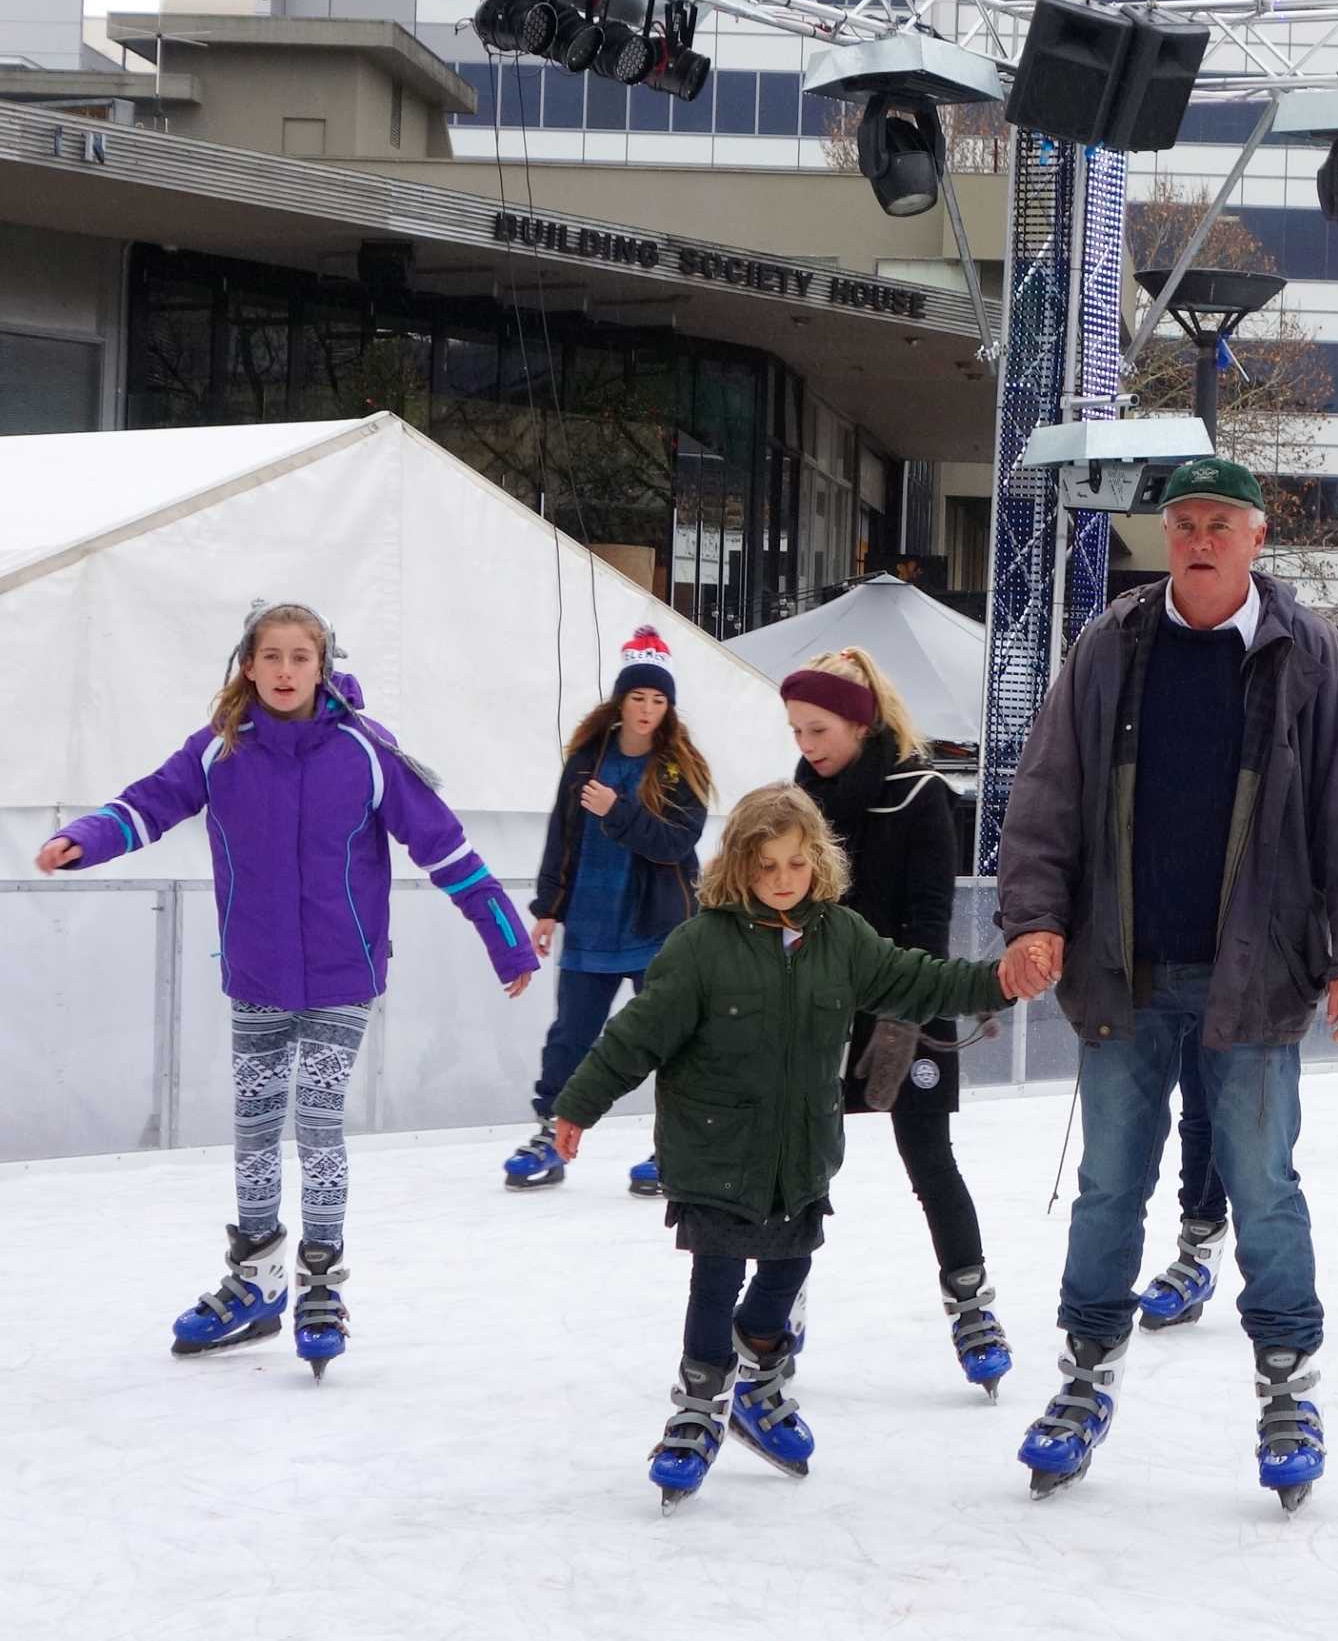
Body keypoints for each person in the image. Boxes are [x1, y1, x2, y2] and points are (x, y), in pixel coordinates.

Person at [995, 454, 1338, 1511]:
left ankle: (1287, 1384)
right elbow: (1046, 795)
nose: (1201, 537)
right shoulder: (1110, 648)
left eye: (1221, 520)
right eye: (1184, 521)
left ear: (1258, 536)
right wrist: (1034, 918)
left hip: (1254, 975)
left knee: (1263, 1186)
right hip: (1123, 972)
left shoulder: (1310, 656)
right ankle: (1084, 1376)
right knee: (1108, 1189)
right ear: (1165, 535)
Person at [32, 602, 537, 1375]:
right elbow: (149, 803)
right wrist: (84, 840)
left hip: (343, 972)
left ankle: (321, 1281)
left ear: (322, 667)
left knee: (320, 1114)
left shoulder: (365, 752)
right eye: (270, 657)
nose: (284, 671)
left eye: (301, 657)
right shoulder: (220, 750)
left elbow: (445, 845)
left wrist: (506, 940)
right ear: (247, 666)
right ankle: (256, 1279)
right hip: (258, 972)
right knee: (258, 1121)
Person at [547, 783, 1011, 1508]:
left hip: (799, 1153)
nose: (784, 879)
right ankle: (699, 1409)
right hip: (713, 1150)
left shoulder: (841, 937)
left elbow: (916, 981)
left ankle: (756, 1381)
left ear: (817, 861)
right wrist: (577, 1105)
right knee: (717, 1273)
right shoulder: (700, 946)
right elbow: (636, 1037)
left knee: (789, 1267)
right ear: (740, 868)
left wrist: (999, 981)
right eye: (767, 867)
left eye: (796, 863)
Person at [782, 645, 1011, 1397]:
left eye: (818, 731)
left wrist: (902, 1017)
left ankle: (972, 1305)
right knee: (797, 1162)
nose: (806, 748)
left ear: (859, 721)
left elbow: (929, 918)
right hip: (816, 1008)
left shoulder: (920, 797)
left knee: (930, 1159)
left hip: (905, 1000)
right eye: (797, 732)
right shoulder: (798, 803)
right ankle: (778, 1304)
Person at [507, 627, 711, 1195]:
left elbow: (676, 842)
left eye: (658, 699)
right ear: (619, 700)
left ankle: (679, 1146)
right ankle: (551, 1134)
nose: (647, 709)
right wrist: (548, 907)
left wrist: (618, 810)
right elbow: (562, 836)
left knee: (672, 1037)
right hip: (592, 927)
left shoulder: (678, 768)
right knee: (570, 1037)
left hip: (659, 930)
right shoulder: (585, 761)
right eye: (639, 697)